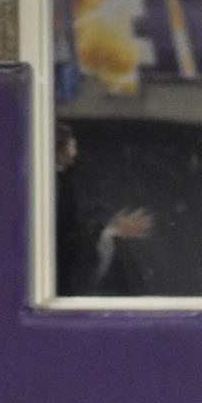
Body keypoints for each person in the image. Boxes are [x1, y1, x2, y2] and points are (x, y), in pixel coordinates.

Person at [54, 122, 152, 296]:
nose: (75, 153)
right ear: (60, 150)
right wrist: (109, 232)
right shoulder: (55, 187)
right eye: (72, 146)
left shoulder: (66, 182)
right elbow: (66, 242)